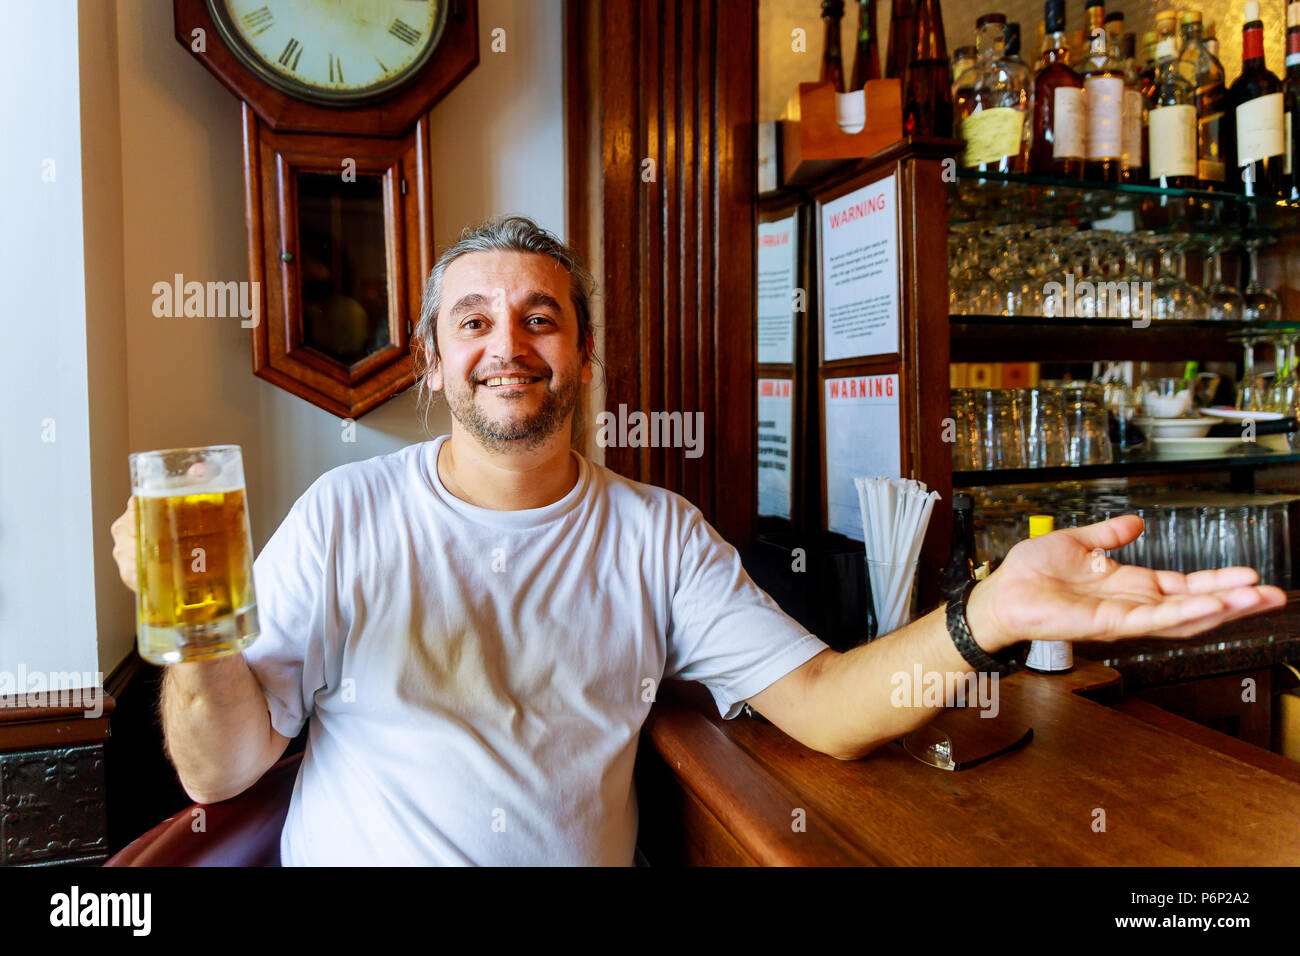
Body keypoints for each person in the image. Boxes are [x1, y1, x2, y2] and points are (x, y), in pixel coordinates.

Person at [110, 215, 1286, 865]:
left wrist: (997, 613)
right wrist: (191, 630)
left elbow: (826, 701)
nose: (505, 342)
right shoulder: (343, 516)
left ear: (583, 356)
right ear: (429, 363)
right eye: (472, 320)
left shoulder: (653, 531)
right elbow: (218, 770)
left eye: (540, 316)